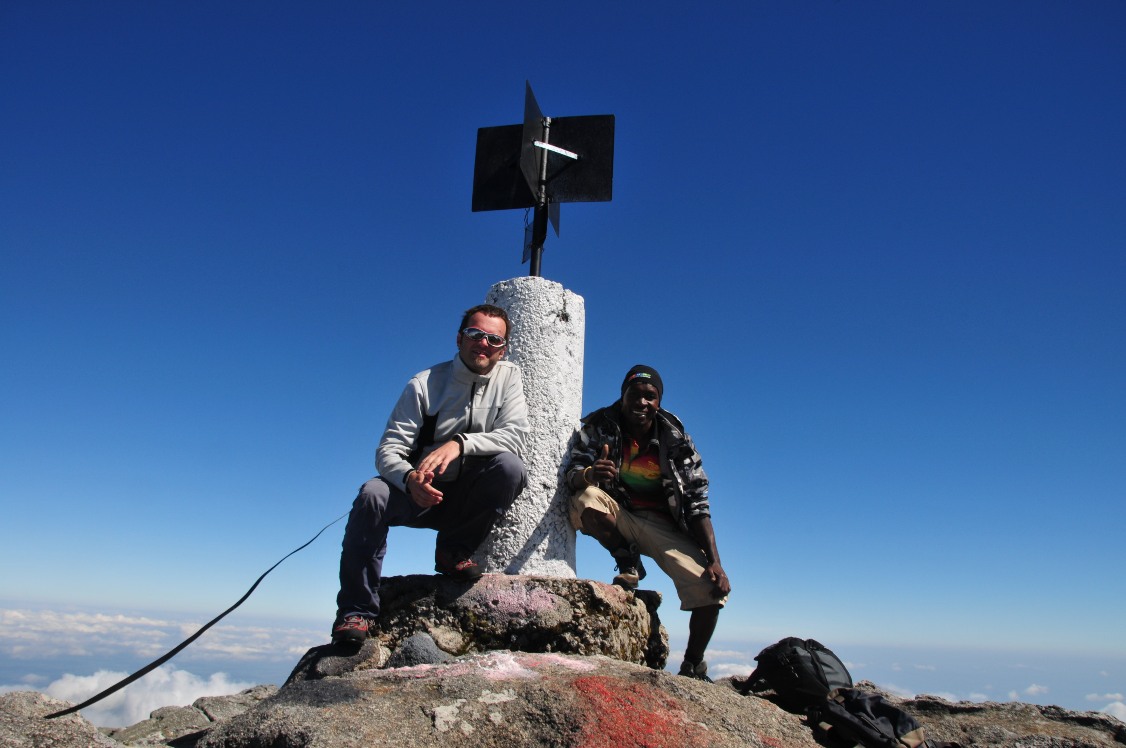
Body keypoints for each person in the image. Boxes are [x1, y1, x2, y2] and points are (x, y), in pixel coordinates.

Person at [332, 304, 530, 645]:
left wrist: (460, 443)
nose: (483, 344)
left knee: (510, 468)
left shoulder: (509, 378)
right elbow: (388, 450)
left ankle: (453, 552)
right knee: (372, 495)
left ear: (504, 348)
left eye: (494, 339)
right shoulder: (424, 384)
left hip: (466, 499)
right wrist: (409, 478)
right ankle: (356, 611)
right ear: (459, 338)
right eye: (475, 334)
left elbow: (515, 434)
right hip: (420, 493)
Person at [565, 364, 731, 681]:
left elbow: (697, 500)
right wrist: (591, 474)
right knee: (585, 499)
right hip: (618, 512)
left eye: (650, 396)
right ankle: (627, 560)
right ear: (623, 394)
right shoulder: (600, 426)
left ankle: (693, 665)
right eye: (635, 394)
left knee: (711, 590)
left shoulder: (675, 437)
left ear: (659, 401)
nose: (642, 402)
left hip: (661, 524)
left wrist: (715, 561)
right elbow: (572, 476)